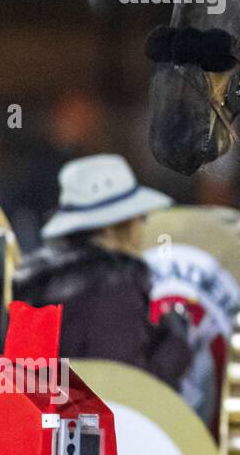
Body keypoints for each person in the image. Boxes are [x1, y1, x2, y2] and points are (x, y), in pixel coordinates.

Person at [12, 154, 191, 388]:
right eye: (140, 217)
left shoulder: (33, 277)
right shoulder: (115, 283)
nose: (142, 226)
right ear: (117, 225)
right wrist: (174, 342)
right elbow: (124, 389)